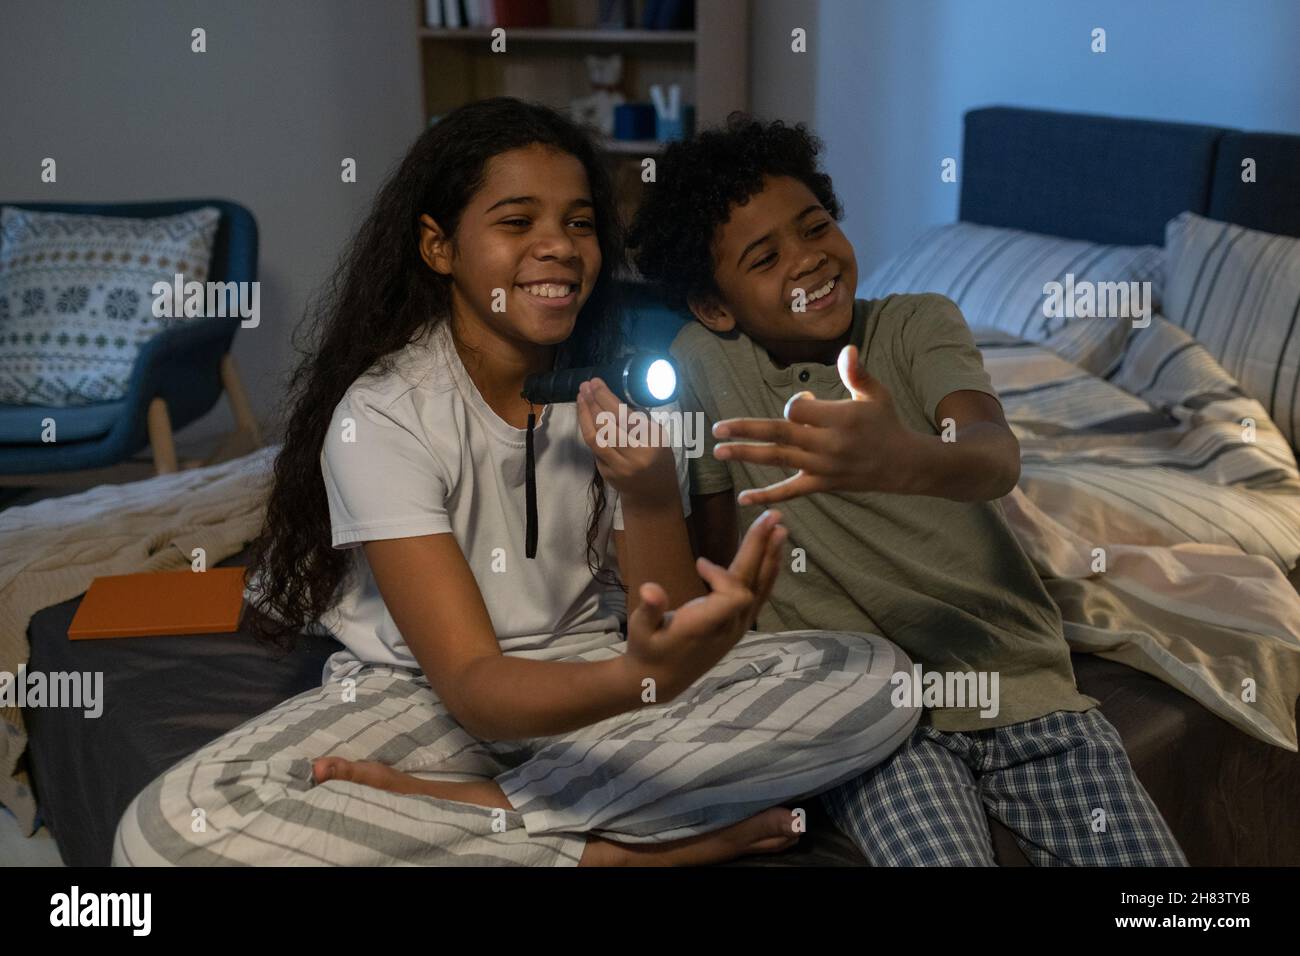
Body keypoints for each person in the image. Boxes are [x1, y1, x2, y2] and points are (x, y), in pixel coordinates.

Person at [111, 99, 918, 868]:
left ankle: (476, 811)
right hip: (428, 695)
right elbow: (475, 689)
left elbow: (661, 620)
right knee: (168, 831)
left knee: (878, 675)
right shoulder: (384, 414)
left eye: (579, 223)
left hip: (596, 675)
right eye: (516, 221)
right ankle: (605, 850)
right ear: (439, 248)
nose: (560, 246)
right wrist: (646, 682)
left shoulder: (621, 389)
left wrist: (645, 495)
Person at [627, 114, 1187, 866]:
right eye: (764, 257)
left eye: (816, 225)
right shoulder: (704, 363)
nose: (807, 260)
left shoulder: (916, 325)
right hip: (869, 713)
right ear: (715, 306)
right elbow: (721, 556)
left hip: (1011, 679)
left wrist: (907, 459)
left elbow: (994, 456)